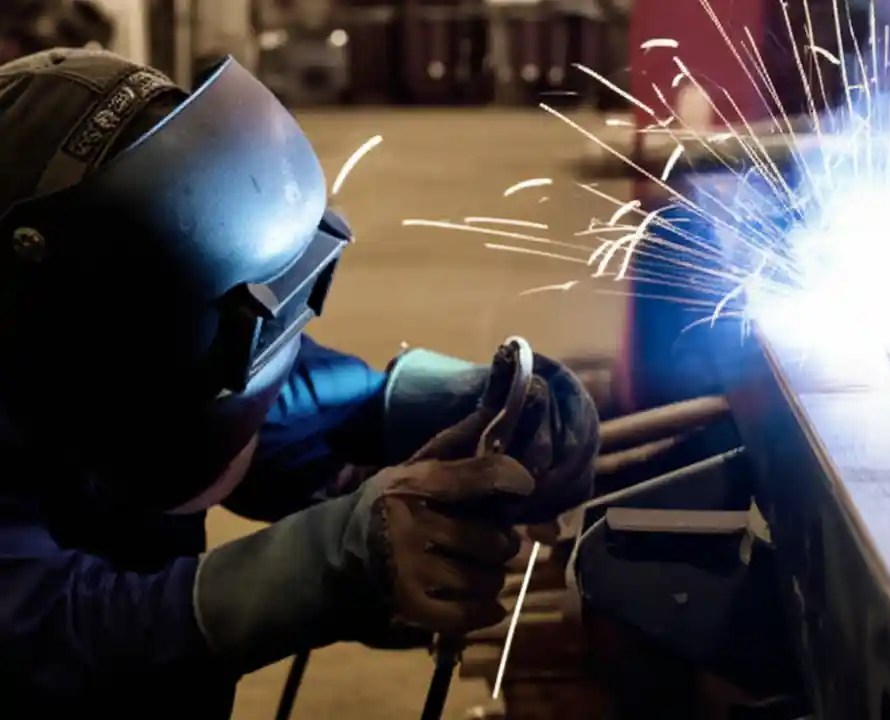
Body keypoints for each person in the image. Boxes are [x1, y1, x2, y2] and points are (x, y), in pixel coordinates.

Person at [0, 48, 600, 716]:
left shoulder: (136, 346)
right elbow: (45, 638)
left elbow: (255, 389)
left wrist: (425, 402)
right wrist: (321, 567)